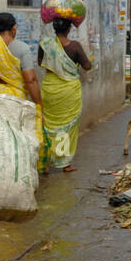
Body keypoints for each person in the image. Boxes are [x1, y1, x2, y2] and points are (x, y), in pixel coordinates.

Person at [0, 13, 46, 170]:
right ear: (14, 29)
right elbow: (30, 80)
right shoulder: (22, 49)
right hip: (15, 99)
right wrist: (38, 104)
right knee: (16, 137)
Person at [37, 16, 93, 172]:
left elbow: (40, 62)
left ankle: (45, 162)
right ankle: (64, 163)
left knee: (48, 125)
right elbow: (87, 66)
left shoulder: (45, 44)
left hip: (49, 88)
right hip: (69, 91)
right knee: (67, 128)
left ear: (54, 28)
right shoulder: (75, 46)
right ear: (69, 29)